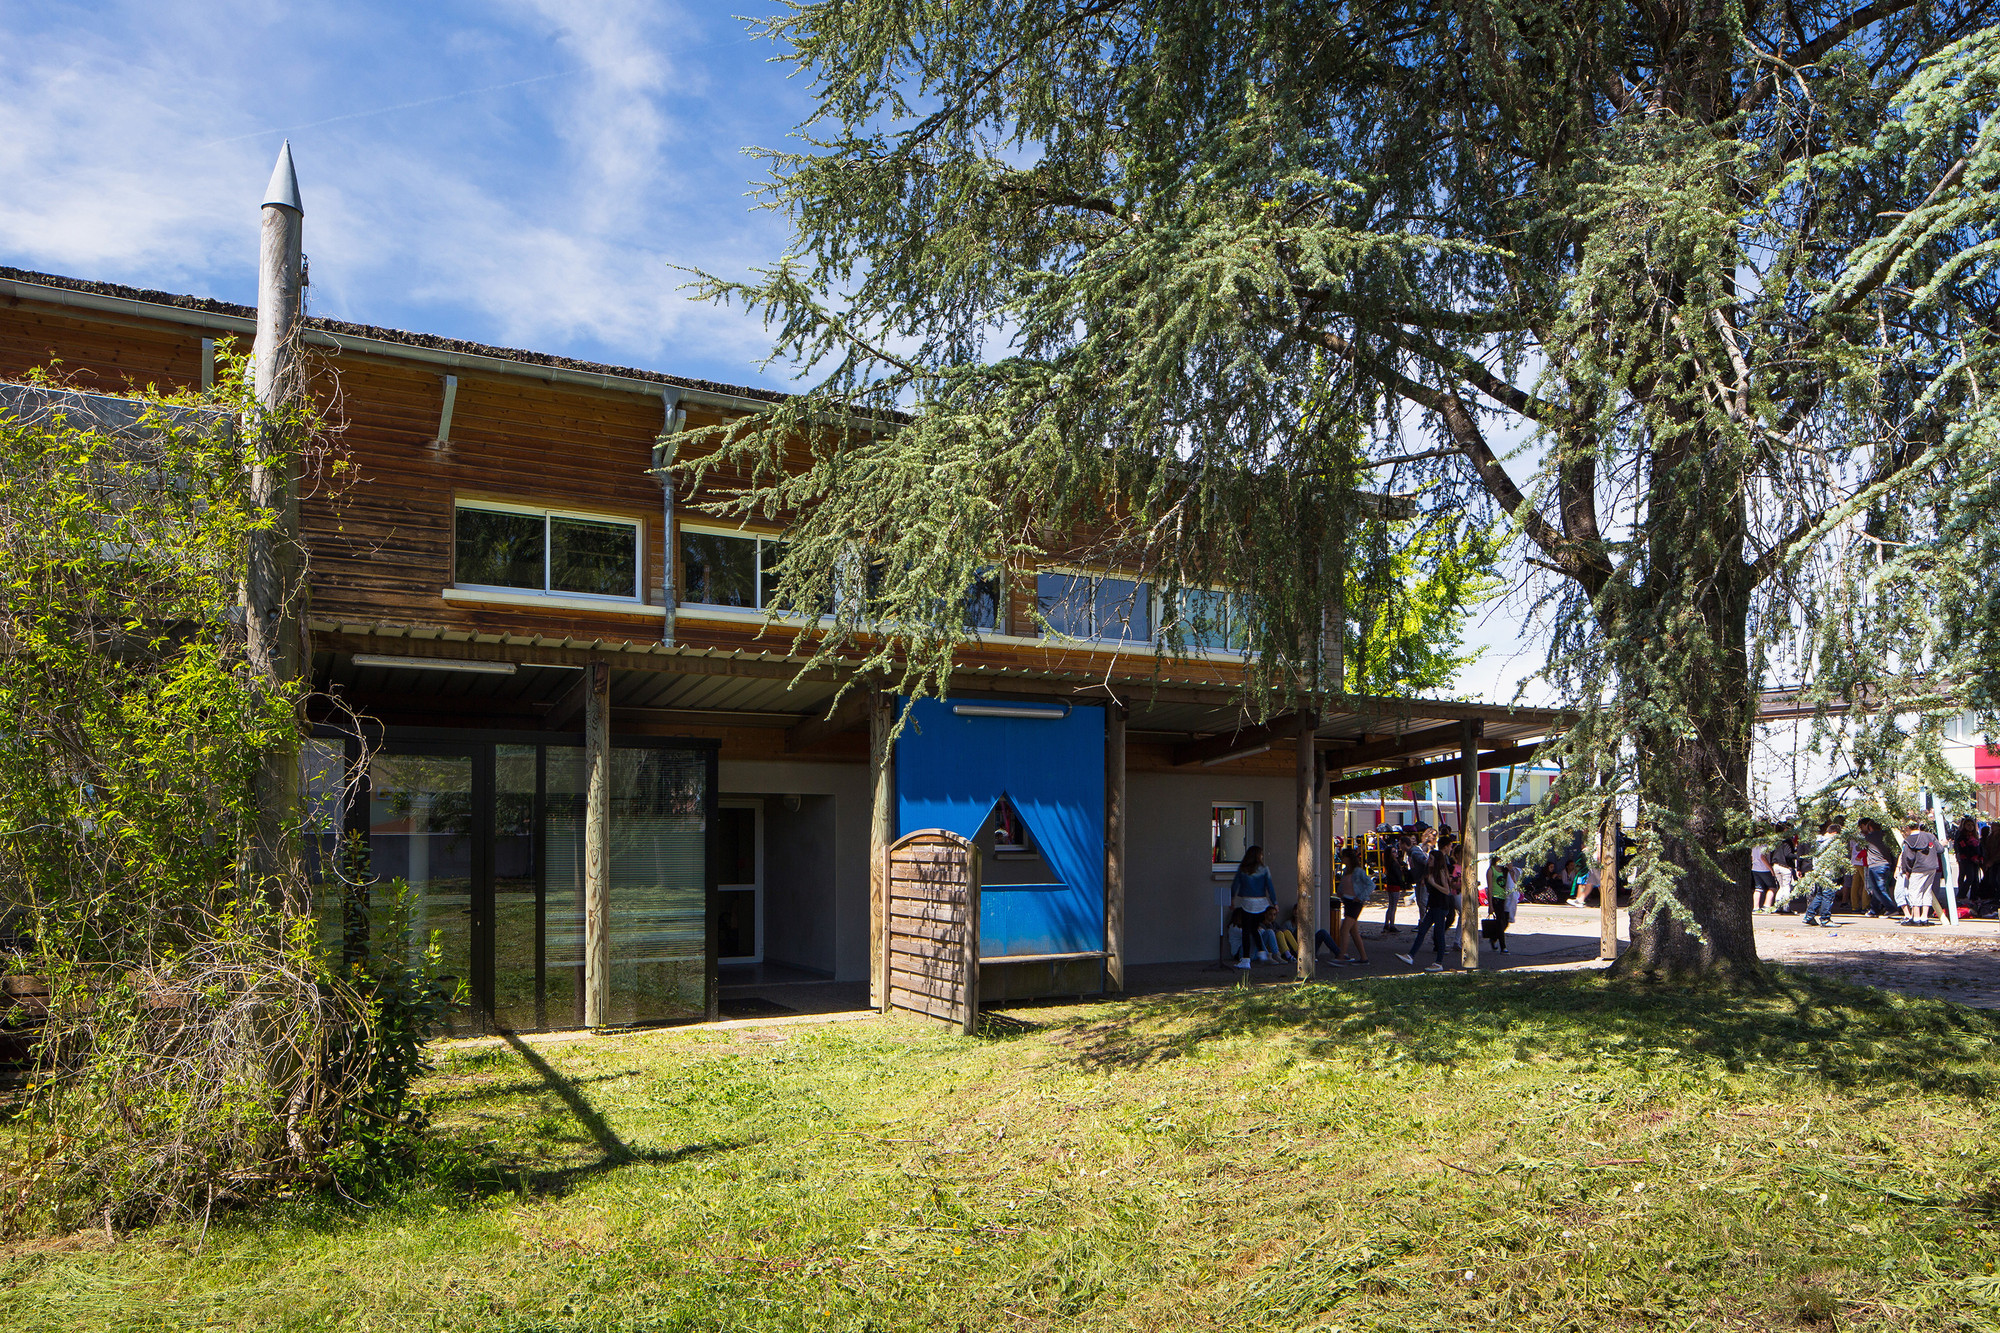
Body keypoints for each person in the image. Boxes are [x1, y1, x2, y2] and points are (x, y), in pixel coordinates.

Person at [1398, 846, 1457, 972]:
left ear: (1436, 861)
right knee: (1423, 930)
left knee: (1439, 934)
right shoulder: (1431, 871)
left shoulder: (1440, 872)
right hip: (1434, 905)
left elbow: (1446, 890)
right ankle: (1411, 955)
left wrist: (1433, 883)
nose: (1428, 860)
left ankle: (1439, 962)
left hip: (1440, 906)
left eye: (1431, 859)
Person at [1229, 845, 1276, 968]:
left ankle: (1246, 960)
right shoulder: (1264, 869)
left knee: (1246, 930)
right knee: (1254, 928)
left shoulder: (1243, 869)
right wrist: (1275, 902)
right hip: (1261, 903)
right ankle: (1261, 951)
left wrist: (1232, 898)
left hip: (1247, 902)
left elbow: (1235, 884)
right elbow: (1270, 886)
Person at [1898, 819, 1945, 926]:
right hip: (1932, 867)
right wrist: (1941, 844)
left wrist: (1907, 871)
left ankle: (1916, 918)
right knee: (1927, 891)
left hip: (1918, 868)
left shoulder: (1909, 840)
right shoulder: (1930, 836)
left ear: (1908, 827)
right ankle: (1924, 917)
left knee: (1915, 892)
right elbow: (1940, 850)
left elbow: (1908, 858)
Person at [1801, 820, 1845, 927]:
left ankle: (1809, 915)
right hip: (1829, 872)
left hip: (1818, 871)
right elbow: (1837, 858)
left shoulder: (1817, 842)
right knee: (1828, 895)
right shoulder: (1832, 843)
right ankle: (1825, 918)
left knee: (1820, 895)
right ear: (1835, 833)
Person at [1855, 817, 1897, 918]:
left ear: (1870, 827)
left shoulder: (1868, 837)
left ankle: (1891, 908)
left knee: (1878, 888)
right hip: (1886, 864)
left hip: (1875, 865)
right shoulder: (1886, 836)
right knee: (1877, 888)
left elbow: (1858, 848)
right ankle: (1874, 910)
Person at [1950, 814, 1983, 907]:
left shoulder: (1975, 836)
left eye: (1972, 825)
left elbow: (1979, 848)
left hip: (1976, 860)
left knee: (1976, 879)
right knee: (1970, 878)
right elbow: (1964, 849)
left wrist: (1980, 857)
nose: (1970, 827)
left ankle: (1974, 897)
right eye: (1968, 825)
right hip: (1966, 860)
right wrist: (1972, 857)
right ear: (1964, 826)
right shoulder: (1961, 836)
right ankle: (1961, 895)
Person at [1769, 823, 1797, 913]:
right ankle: (1786, 907)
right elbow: (1788, 854)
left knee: (1781, 887)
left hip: (1776, 865)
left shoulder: (1776, 840)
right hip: (1785, 866)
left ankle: (1778, 906)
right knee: (1786, 887)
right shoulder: (1787, 841)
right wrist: (1798, 856)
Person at [1750, 829, 1777, 913]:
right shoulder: (1765, 845)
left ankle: (1756, 907)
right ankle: (1767, 905)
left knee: (1758, 888)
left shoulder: (1753, 845)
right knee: (1772, 887)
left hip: (1755, 868)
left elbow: (1752, 857)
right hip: (1764, 869)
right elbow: (1763, 857)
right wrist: (1771, 869)